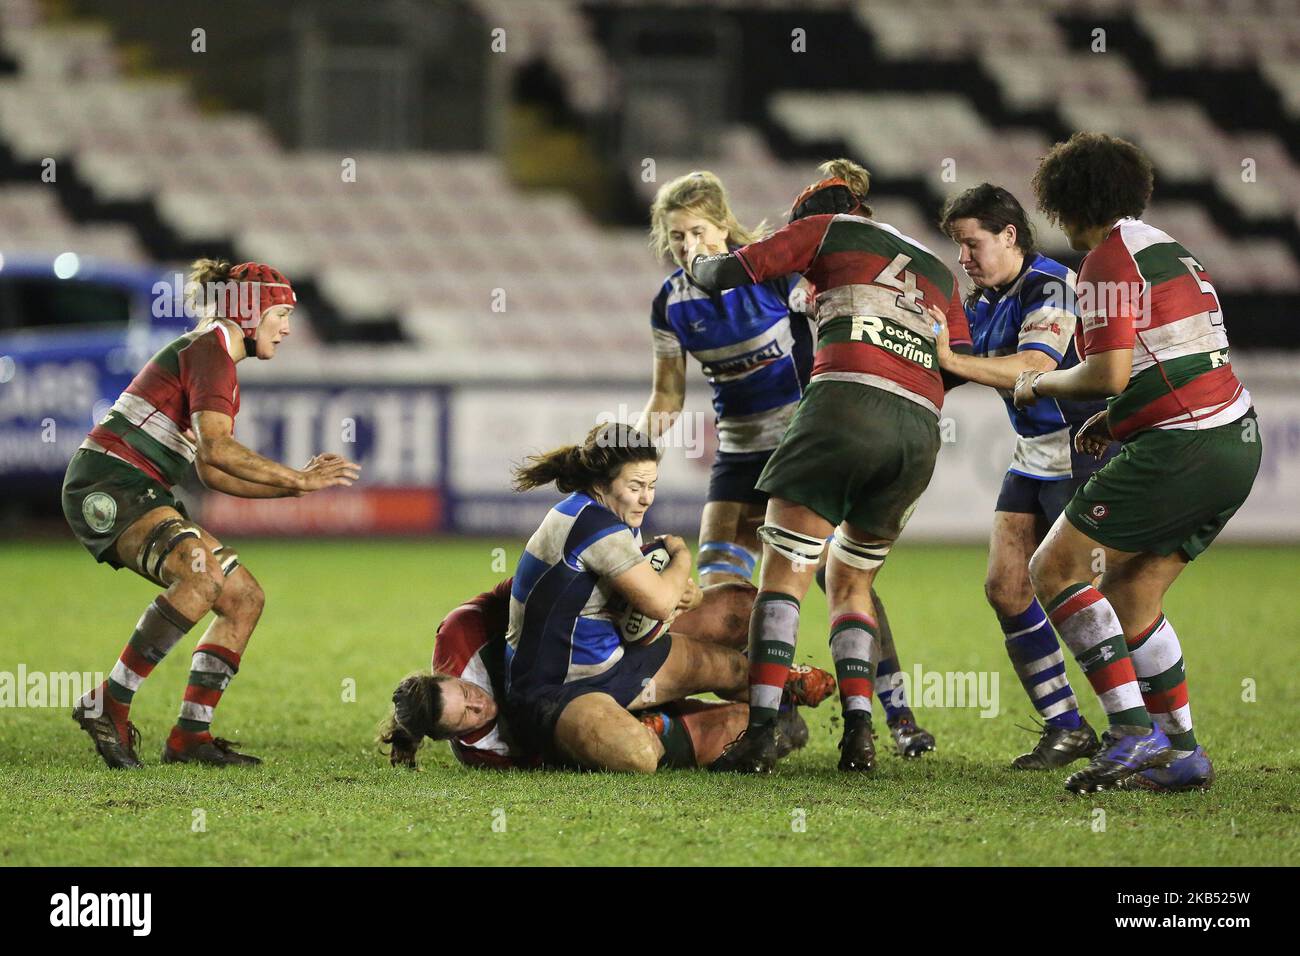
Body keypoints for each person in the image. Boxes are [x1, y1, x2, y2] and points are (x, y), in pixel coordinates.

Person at [683, 159, 974, 774]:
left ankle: (761, 732)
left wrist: (697, 261)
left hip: (843, 406)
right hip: (919, 431)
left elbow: (729, 271)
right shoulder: (935, 267)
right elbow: (960, 363)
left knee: (783, 576)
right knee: (851, 582)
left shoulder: (823, 229)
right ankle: (863, 735)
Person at [1015, 132, 1260, 793]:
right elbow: (1173, 360)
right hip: (1234, 442)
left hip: (1183, 445)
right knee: (1132, 593)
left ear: (1066, 198)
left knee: (1054, 570)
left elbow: (1108, 372)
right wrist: (1115, 422)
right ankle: (1182, 754)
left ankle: (1129, 733)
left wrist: (1042, 382)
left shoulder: (1106, 259)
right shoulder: (1168, 248)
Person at [64, 259, 360, 768]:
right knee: (200, 575)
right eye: (281, 313)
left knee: (243, 597)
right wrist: (295, 476)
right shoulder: (211, 351)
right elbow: (219, 449)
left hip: (139, 485)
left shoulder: (213, 353)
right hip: (110, 483)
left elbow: (210, 471)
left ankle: (189, 738)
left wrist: (290, 491)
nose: (287, 327)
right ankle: (108, 702)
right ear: (250, 312)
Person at [499, 422, 818, 772]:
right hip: (558, 691)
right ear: (601, 482)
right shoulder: (589, 523)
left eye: (651, 486)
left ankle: (778, 701)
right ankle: (663, 722)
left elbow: (656, 600)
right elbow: (659, 604)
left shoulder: (612, 516)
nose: (647, 497)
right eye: (635, 486)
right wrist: (680, 553)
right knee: (637, 756)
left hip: (616, 658)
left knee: (736, 653)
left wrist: (687, 594)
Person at [931, 183, 1109, 769]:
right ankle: (1067, 727)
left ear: (1010, 235)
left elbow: (1034, 366)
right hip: (1033, 451)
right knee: (1007, 588)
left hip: (1083, 450)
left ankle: (1146, 727)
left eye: (971, 243)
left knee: (1090, 596)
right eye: (957, 246)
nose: (964, 258)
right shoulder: (982, 300)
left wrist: (952, 361)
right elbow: (948, 369)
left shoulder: (1051, 284)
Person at [378, 577, 834, 770]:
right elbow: (571, 755)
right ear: (452, 736)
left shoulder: (461, 634)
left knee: (738, 608)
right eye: (465, 717)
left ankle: (775, 677)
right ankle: (681, 724)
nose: (478, 703)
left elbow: (527, 589)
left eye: (465, 691)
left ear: (444, 673)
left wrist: (654, 594)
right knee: (759, 732)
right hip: (601, 708)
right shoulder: (486, 754)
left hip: (613, 645)